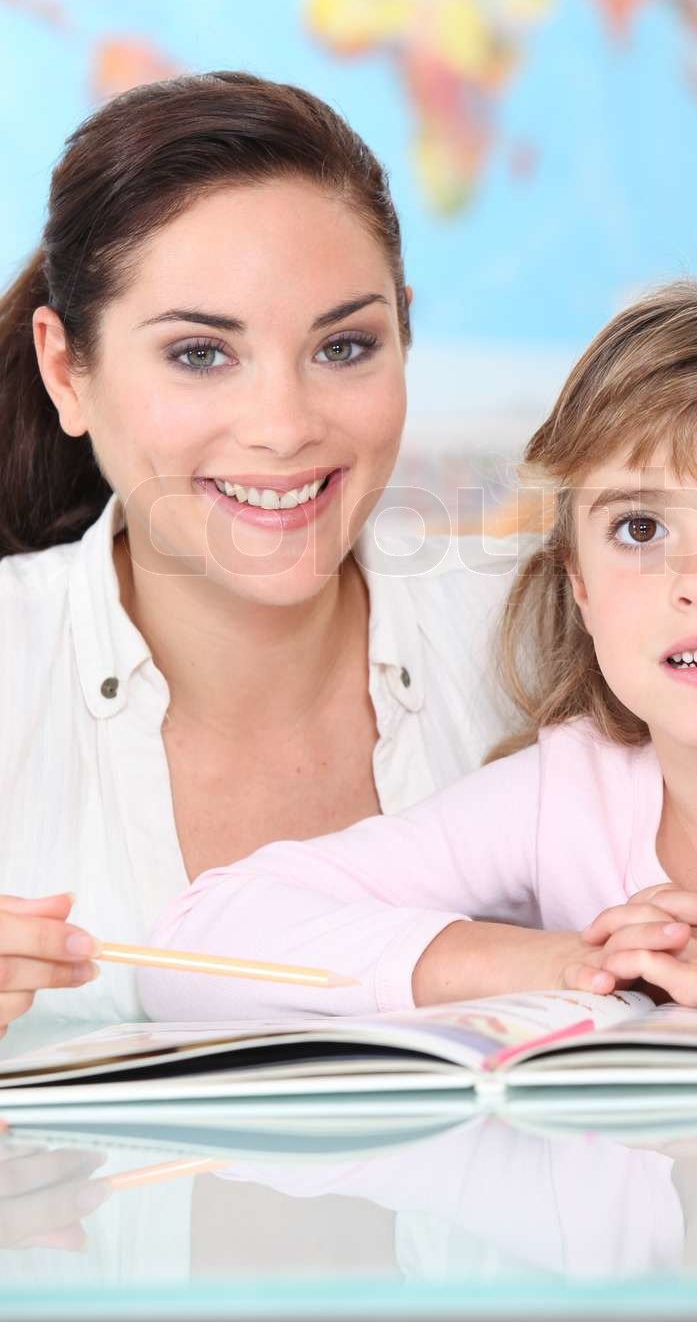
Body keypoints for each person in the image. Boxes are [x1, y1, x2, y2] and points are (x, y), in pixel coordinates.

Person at [140, 277, 697, 1022]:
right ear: (577, 584)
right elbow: (194, 946)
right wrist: (562, 961)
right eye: (636, 529)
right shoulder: (565, 796)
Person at [0, 70, 527, 1036]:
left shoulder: (550, 643)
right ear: (65, 368)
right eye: (200, 353)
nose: (283, 429)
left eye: (344, 347)